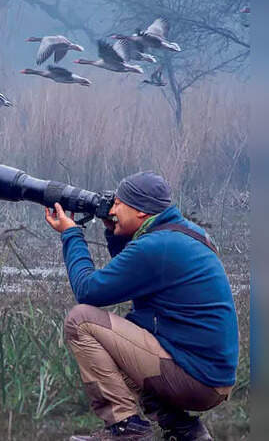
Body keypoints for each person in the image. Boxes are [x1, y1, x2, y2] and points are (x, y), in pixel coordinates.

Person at [44, 171, 238, 441]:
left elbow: (88, 291)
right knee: (128, 330)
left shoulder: (157, 245)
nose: (112, 209)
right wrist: (116, 232)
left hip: (195, 379)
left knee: (82, 321)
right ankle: (183, 429)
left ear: (141, 212)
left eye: (118, 204)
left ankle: (127, 429)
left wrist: (72, 235)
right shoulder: (185, 234)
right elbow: (132, 272)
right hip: (211, 378)